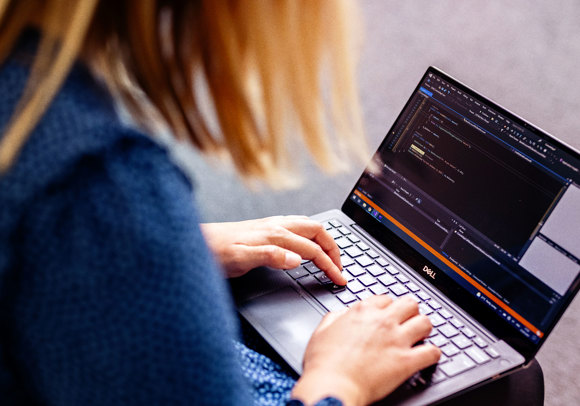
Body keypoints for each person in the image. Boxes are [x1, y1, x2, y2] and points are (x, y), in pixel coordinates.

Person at [0, 1, 543, 405]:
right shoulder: (107, 191)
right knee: (516, 384)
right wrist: (338, 384)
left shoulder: (26, 102)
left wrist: (183, 248)